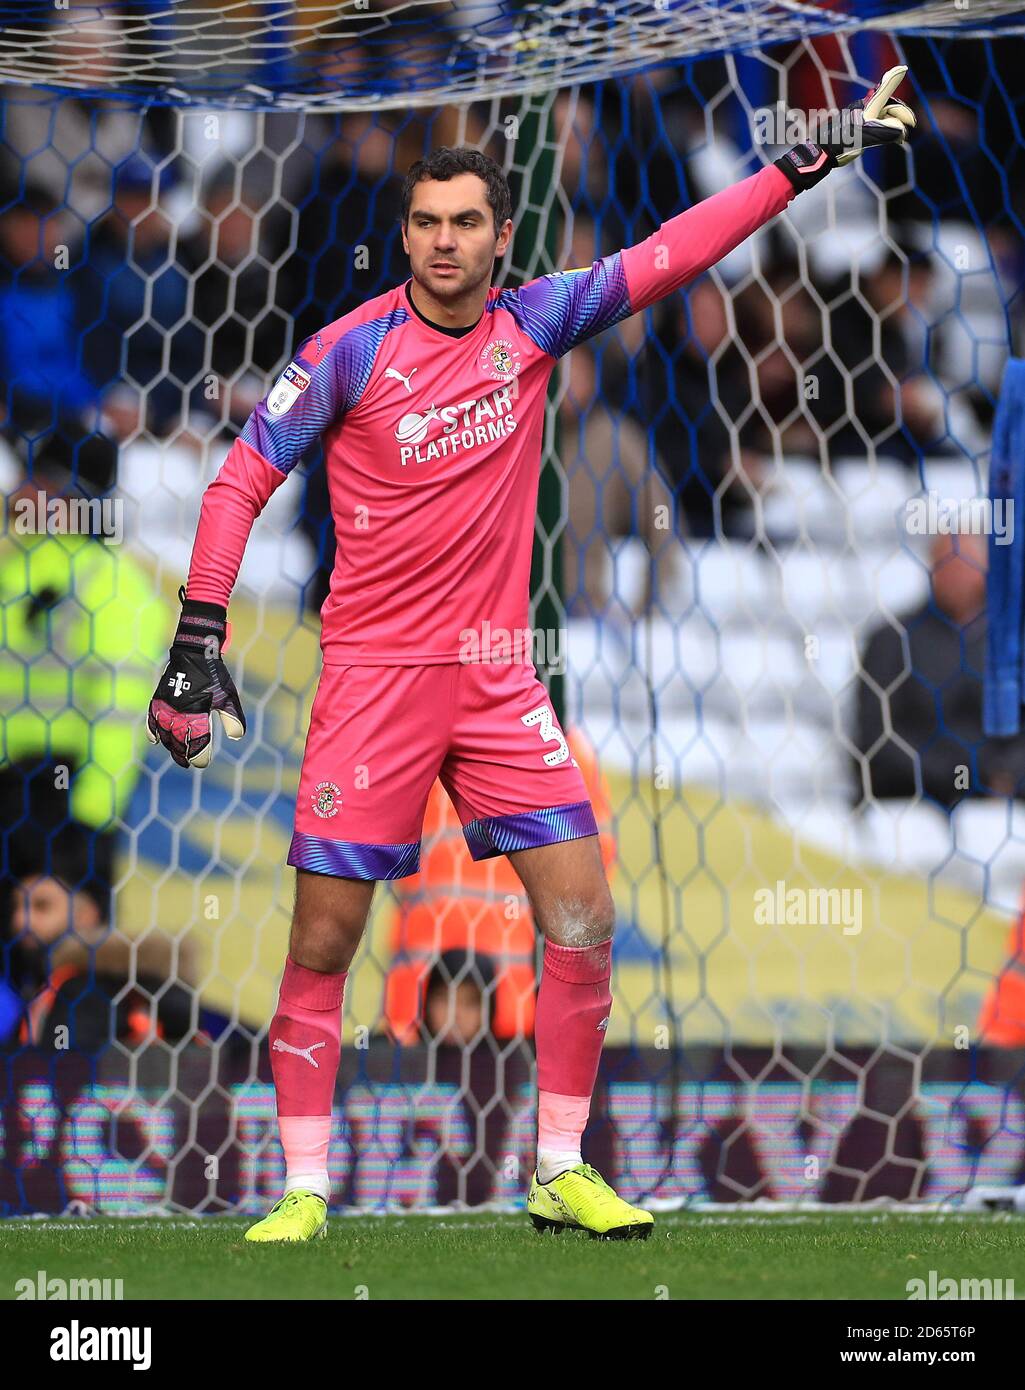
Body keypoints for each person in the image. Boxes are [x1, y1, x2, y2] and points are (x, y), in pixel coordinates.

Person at [145, 72, 915, 1242]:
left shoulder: (537, 322)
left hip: (499, 677)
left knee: (582, 914)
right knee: (322, 939)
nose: (442, 243)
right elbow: (240, 479)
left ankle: (556, 1167)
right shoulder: (349, 354)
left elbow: (673, 249)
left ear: (503, 239)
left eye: (464, 224)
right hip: (372, 681)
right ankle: (303, 1186)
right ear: (403, 234)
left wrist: (804, 164)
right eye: (424, 223)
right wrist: (200, 633)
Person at [853, 531, 1025, 810]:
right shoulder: (893, 639)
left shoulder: (1012, 639)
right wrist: (954, 778)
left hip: (1003, 795)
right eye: (946, 563)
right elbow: (875, 736)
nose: (955, 574)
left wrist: (1004, 774)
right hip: (914, 799)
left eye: (965, 563)